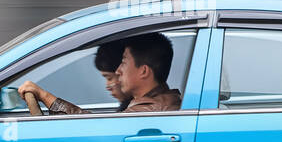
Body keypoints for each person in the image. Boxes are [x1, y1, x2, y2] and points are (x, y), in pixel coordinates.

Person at [19, 32, 182, 114]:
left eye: (124, 62)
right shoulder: (152, 104)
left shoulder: (146, 112)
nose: (118, 71)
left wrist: (45, 96)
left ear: (144, 71)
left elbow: (96, 131)